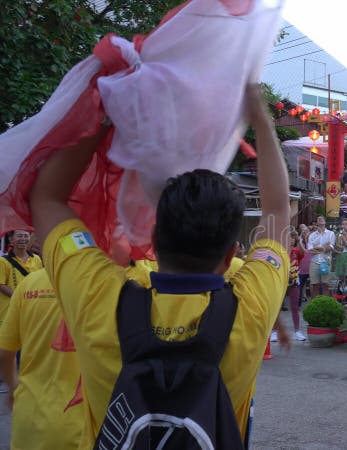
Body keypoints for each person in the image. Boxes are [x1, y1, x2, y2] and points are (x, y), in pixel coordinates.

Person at [27, 85, 291, 446]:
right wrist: (260, 119)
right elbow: (277, 210)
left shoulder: (98, 294)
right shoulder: (251, 307)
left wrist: (108, 113)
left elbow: (46, 195)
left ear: (153, 236)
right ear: (231, 255)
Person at [0, 269, 83, 449]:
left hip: (28, 418)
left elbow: (4, 354)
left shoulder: (29, 283)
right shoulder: (109, 283)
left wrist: (14, 388)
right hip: (84, 425)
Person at [0, 229, 44, 325]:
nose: (23, 239)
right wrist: (20, 296)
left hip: (30, 309)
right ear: (11, 240)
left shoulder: (36, 259)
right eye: (19, 236)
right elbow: (1, 285)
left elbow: (39, 280)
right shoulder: (3, 261)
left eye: (26, 236)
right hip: (8, 311)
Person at [308, 215, 336, 297]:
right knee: (314, 285)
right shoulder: (312, 235)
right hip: (314, 261)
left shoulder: (331, 234)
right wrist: (324, 247)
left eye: (321, 219)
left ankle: (325, 306)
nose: (320, 221)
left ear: (325, 222)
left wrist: (316, 248)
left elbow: (330, 248)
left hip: (326, 261)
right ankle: (314, 306)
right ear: (316, 223)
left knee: (325, 285)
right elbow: (310, 251)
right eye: (318, 220)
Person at [286, 231, 306, 341]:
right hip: (282, 281)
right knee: (277, 307)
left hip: (294, 281)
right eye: (290, 237)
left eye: (293, 237)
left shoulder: (295, 251)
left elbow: (304, 253)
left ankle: (297, 331)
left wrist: (299, 240)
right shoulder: (281, 251)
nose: (292, 239)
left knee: (294, 307)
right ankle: (274, 332)